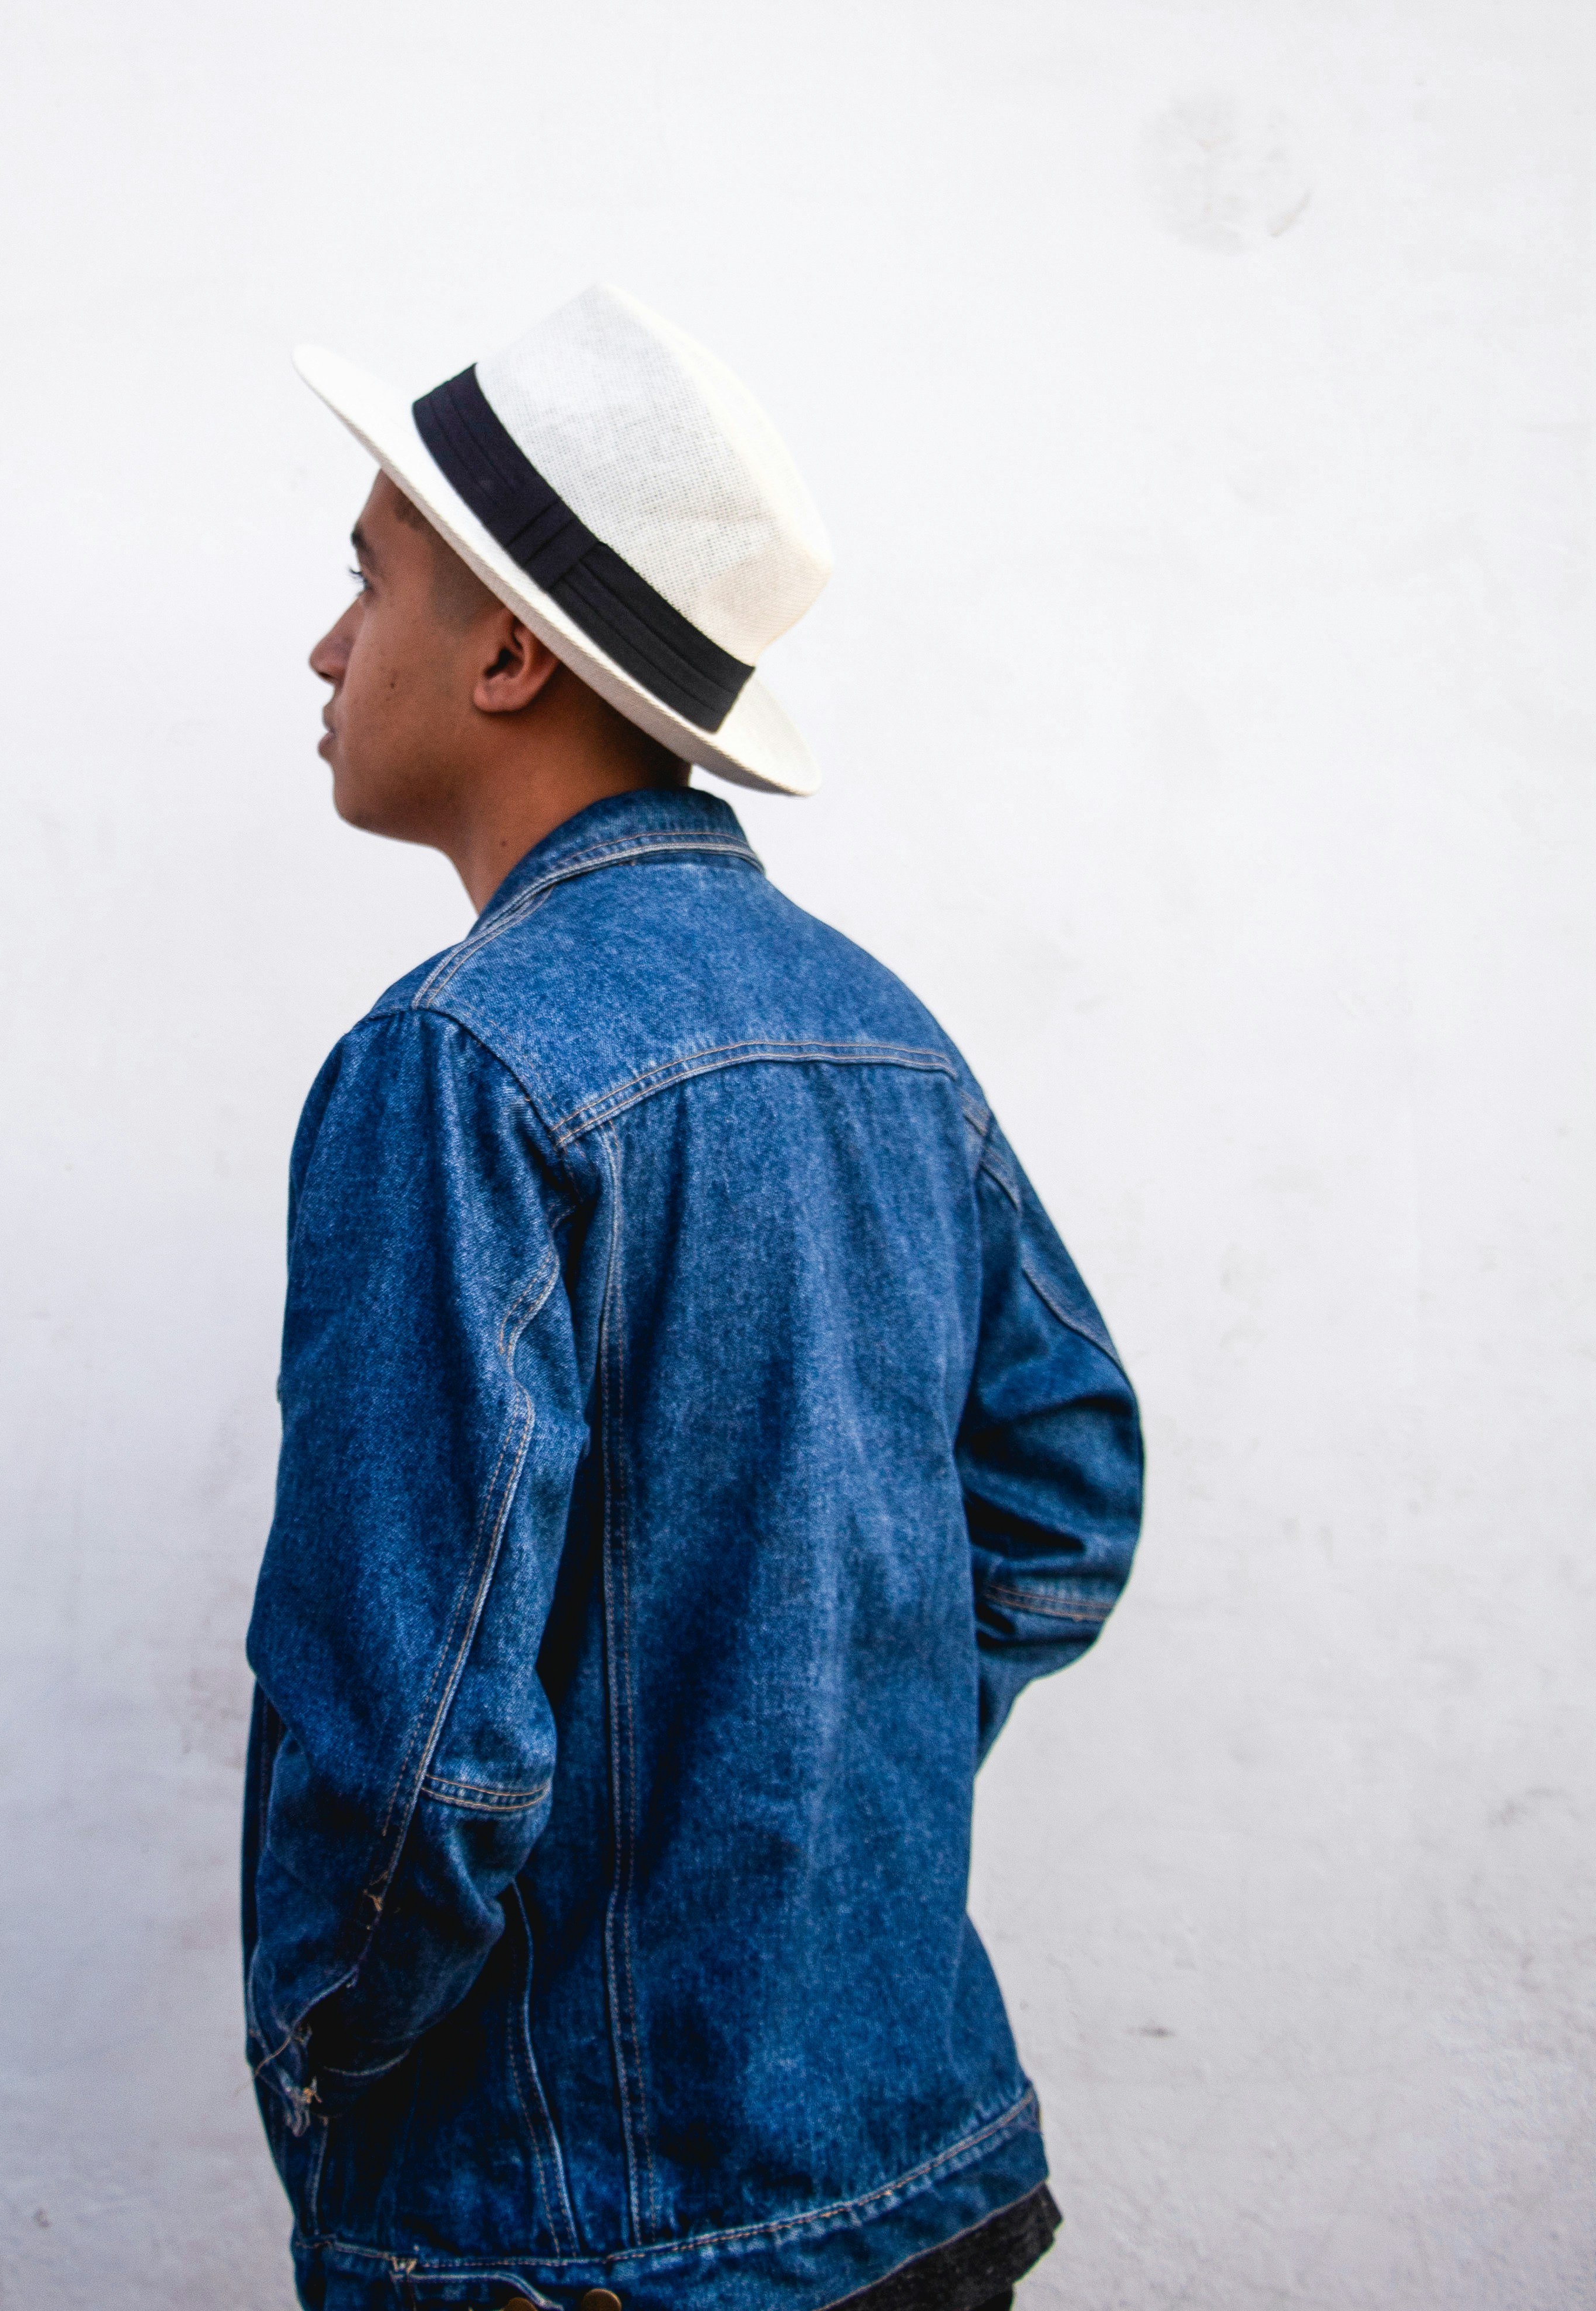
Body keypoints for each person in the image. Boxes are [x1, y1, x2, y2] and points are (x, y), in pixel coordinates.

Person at [243, 285, 1143, 2311]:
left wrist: (321, 2062)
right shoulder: (883, 1037)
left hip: (582, 2247)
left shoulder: (460, 1068)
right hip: (923, 2174)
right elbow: (1067, 1495)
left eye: (365, 575)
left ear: (504, 648)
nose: (322, 643)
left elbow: (415, 1749)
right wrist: (804, 1783)